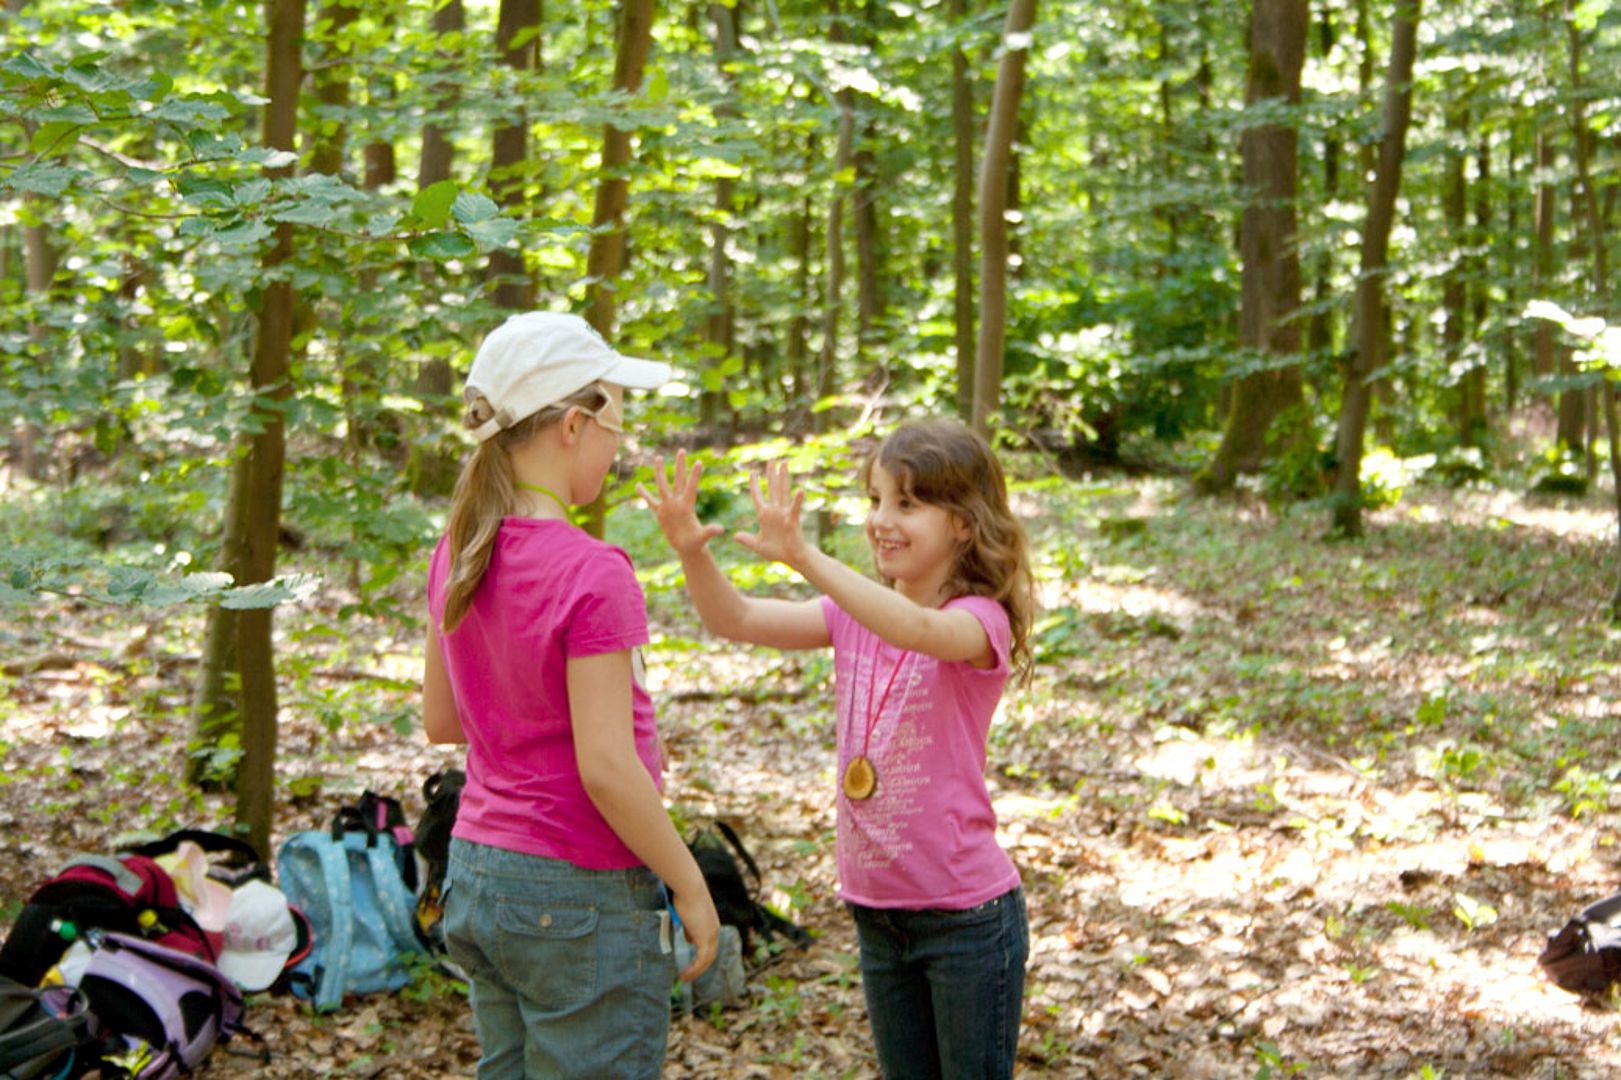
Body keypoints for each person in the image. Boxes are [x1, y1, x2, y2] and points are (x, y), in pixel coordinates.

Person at [640, 418, 1035, 1080]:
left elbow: (914, 628)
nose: (882, 519)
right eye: (876, 499)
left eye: (908, 503)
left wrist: (803, 557)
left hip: (965, 921)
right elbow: (732, 618)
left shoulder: (979, 622)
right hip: (878, 913)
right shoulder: (851, 616)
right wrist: (690, 551)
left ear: (963, 524)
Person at [422, 310, 719, 1079]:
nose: (619, 446)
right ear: (574, 424)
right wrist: (690, 886)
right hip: (578, 891)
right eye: (616, 422)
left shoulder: (458, 549)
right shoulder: (593, 570)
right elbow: (607, 769)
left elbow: (441, 721)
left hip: (480, 873)